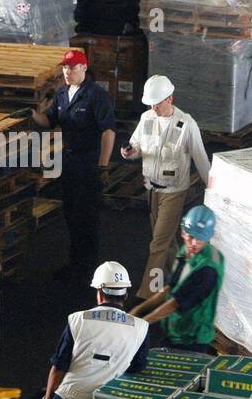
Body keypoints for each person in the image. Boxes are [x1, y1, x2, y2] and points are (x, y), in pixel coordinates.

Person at [120, 75, 212, 299]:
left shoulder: (186, 124)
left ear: (170, 98)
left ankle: (148, 293)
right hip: (152, 189)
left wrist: (213, 188)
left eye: (158, 103)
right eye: (151, 103)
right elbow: (137, 145)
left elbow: (200, 157)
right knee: (167, 241)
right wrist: (129, 152)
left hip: (174, 191)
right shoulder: (146, 118)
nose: (154, 107)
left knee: (158, 244)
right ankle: (181, 278)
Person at [30, 49, 117, 279]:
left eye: (73, 67)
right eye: (65, 68)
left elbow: (108, 131)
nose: (67, 72)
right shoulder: (62, 94)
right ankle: (75, 263)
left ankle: (88, 267)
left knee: (86, 216)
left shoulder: (96, 95)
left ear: (84, 68)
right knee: (70, 212)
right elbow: (48, 121)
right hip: (68, 162)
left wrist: (103, 166)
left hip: (88, 162)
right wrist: (31, 113)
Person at [42, 262, 150, 399]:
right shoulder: (141, 327)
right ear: (125, 295)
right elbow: (137, 367)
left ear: (99, 293)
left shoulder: (78, 319)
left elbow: (59, 367)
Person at [130, 206, 224, 354]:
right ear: (182, 231)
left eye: (200, 239)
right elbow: (170, 288)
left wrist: (142, 323)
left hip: (192, 339)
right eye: (191, 236)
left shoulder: (208, 269)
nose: (194, 243)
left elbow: (175, 303)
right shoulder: (185, 252)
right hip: (175, 331)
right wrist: (138, 310)